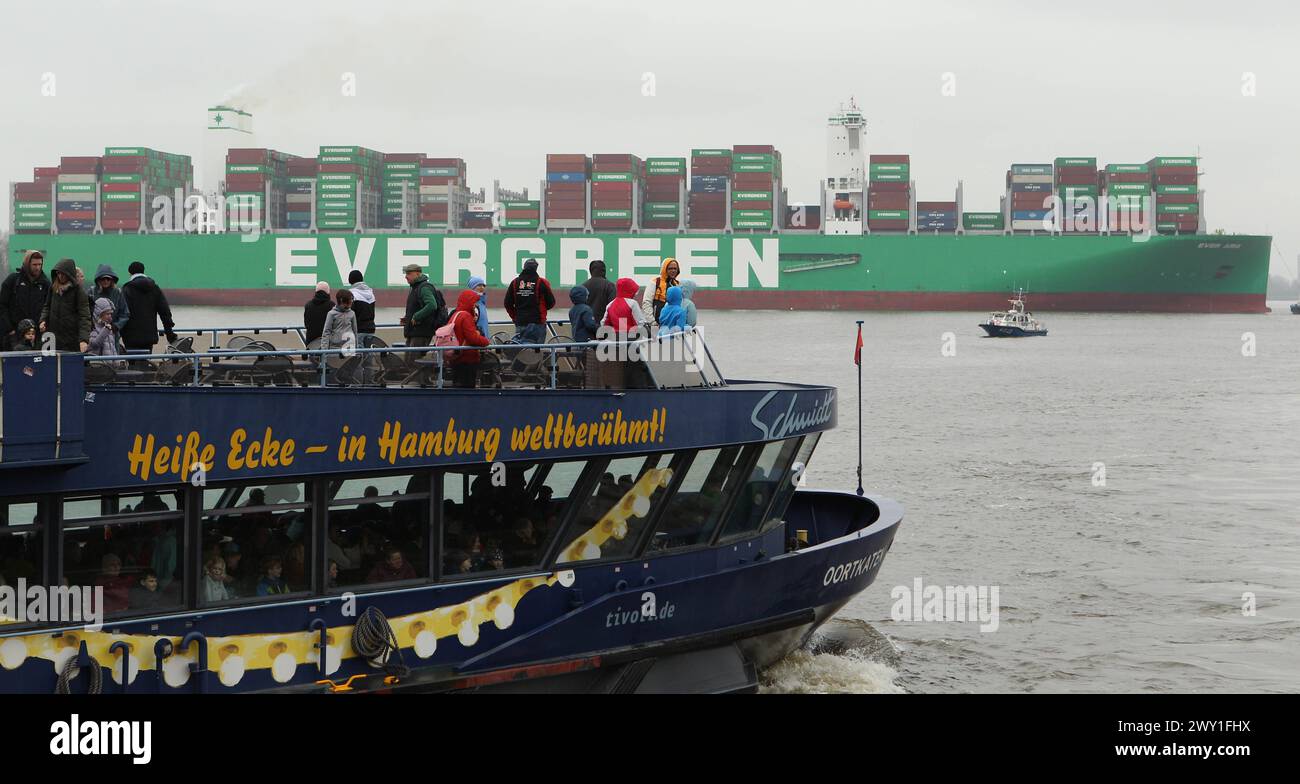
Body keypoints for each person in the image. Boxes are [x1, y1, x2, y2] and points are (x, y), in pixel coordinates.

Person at [121, 261, 177, 352]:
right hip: (149, 336)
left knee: (132, 363)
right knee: (146, 362)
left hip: (130, 337)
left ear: (130, 273)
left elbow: (122, 313)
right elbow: (164, 311)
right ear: (143, 271)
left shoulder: (127, 289)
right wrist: (169, 333)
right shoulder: (154, 288)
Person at [0, 250, 50, 351]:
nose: (37, 267)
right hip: (13, 337)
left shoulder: (46, 284)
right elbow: (2, 305)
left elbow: (49, 307)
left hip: (36, 338)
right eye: (34, 264)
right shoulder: (13, 280)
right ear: (27, 264)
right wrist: (9, 329)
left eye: (40, 264)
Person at [39, 258, 91, 352]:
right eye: (58, 273)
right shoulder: (53, 288)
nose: (60, 276)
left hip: (71, 339)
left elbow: (84, 316)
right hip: (52, 338)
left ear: (69, 274)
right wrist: (43, 320)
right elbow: (47, 306)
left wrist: (84, 340)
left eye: (63, 274)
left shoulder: (78, 291)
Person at [444, 288, 492, 388]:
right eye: (474, 302)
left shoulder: (456, 314)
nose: (476, 305)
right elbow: (472, 338)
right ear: (469, 302)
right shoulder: (466, 316)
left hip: (456, 358)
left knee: (458, 387)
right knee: (467, 387)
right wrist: (486, 341)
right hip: (466, 359)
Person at [401, 263, 447, 363]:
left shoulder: (424, 288)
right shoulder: (416, 288)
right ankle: (418, 378)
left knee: (413, 362)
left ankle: (419, 379)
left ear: (418, 274)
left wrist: (416, 316)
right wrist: (407, 318)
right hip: (415, 332)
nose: (406, 276)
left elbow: (432, 305)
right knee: (410, 362)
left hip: (421, 332)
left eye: (409, 273)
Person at [503, 258, 555, 344]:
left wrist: (515, 317)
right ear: (536, 268)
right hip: (538, 323)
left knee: (520, 353)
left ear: (524, 267)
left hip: (520, 322)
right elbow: (551, 302)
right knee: (537, 353)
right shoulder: (542, 282)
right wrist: (541, 310)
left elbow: (507, 304)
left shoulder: (515, 282)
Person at [88, 265, 130, 332]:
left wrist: (116, 326)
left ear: (112, 280)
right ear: (98, 279)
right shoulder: (92, 292)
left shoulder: (118, 293)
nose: (106, 281)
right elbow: (86, 312)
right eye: (103, 279)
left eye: (108, 279)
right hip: (94, 332)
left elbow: (125, 314)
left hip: (112, 333)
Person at [643, 257, 680, 324]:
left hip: (672, 324)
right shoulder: (655, 282)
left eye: (675, 268)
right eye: (670, 268)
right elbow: (646, 302)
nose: (673, 271)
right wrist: (651, 321)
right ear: (664, 269)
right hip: (656, 323)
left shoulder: (677, 284)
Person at [582, 259, 616, 324]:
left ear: (591, 271)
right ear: (604, 271)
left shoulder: (583, 286)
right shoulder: (609, 286)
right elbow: (613, 307)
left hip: (587, 325)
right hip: (604, 327)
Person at [346, 270, 376, 336]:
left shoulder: (352, 294)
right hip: (371, 329)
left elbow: (349, 315)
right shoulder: (370, 292)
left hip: (358, 330)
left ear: (350, 280)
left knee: (359, 346)